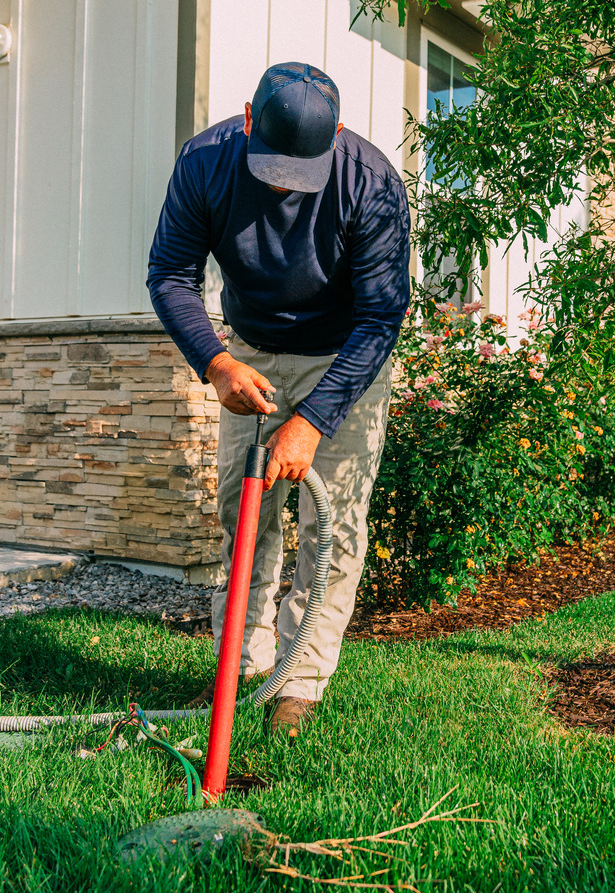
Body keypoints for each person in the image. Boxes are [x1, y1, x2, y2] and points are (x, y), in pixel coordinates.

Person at [147, 62, 410, 738]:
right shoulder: (205, 162)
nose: (286, 186)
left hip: (344, 356)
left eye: (302, 172)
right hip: (252, 355)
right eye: (274, 168)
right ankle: (241, 667)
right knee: (245, 514)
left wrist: (314, 421)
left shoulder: (371, 181)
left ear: (338, 133)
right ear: (247, 119)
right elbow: (170, 273)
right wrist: (216, 363)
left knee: (334, 526)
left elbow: (381, 316)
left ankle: (298, 682)